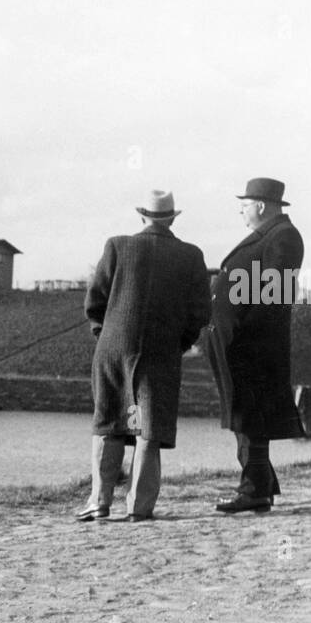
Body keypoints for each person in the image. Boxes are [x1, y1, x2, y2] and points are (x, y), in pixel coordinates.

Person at [76, 190, 211, 523]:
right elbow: (200, 312)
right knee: (147, 428)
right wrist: (179, 343)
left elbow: (95, 300)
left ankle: (99, 501)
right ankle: (139, 506)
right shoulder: (191, 256)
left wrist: (104, 334)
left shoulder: (117, 246)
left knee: (109, 419)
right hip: (160, 352)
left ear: (142, 217)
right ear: (172, 218)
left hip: (113, 349)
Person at [203, 177, 306, 513]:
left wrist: (243, 333)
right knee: (246, 417)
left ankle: (254, 490)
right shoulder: (274, 235)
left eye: (244, 205)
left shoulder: (284, 237)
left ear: (261, 206)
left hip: (253, 346)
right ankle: (260, 486)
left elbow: (275, 295)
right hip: (241, 342)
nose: (241, 211)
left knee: (249, 418)